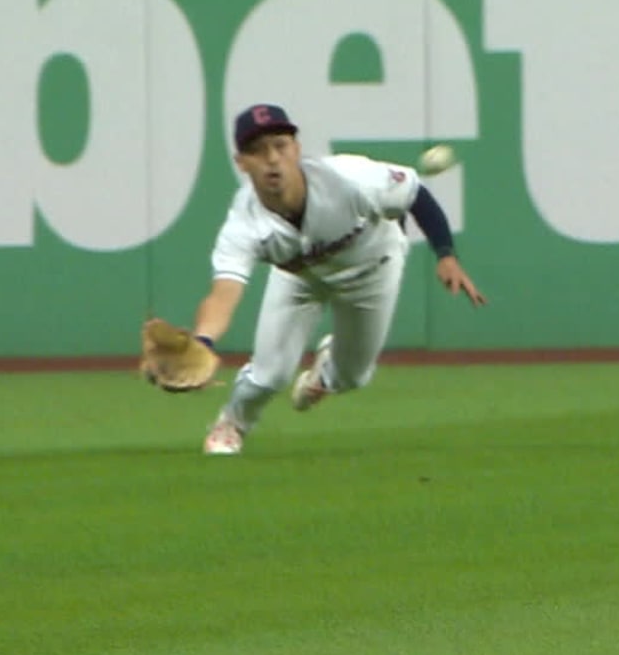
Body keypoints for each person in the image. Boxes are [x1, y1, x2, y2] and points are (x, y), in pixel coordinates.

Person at [190, 103, 487, 455]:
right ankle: (231, 424)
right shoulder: (243, 224)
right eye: (257, 150)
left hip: (372, 271)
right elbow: (223, 294)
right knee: (270, 374)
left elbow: (414, 194)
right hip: (299, 281)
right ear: (242, 162)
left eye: (280, 146)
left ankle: (323, 376)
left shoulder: (348, 178)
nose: (272, 159)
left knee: (353, 377)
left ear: (297, 149)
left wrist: (445, 254)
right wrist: (202, 343)